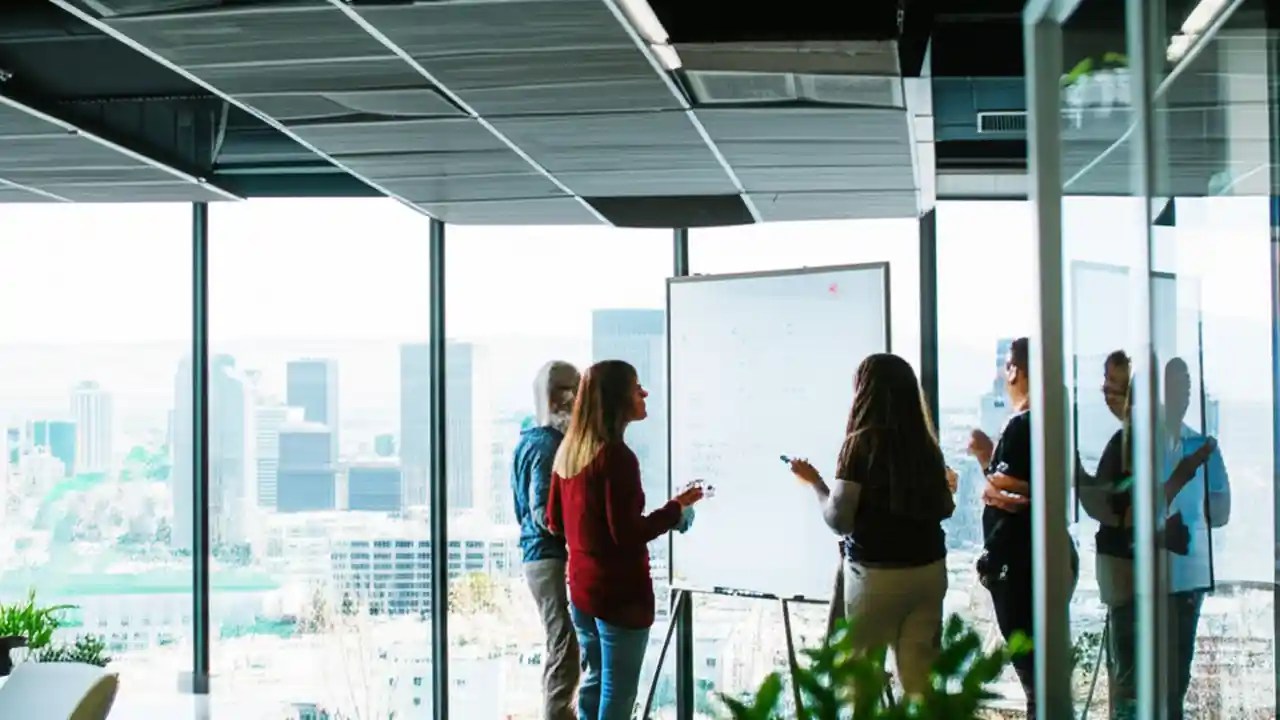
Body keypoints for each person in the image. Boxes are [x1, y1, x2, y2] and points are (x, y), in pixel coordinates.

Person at [788, 353, 954, 696]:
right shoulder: (926, 446)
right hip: (929, 573)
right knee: (920, 686)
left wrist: (817, 484)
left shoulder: (860, 444)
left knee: (863, 686)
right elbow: (944, 506)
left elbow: (840, 519)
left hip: (877, 576)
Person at [547, 360, 703, 720]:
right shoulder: (617, 458)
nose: (644, 393)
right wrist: (675, 509)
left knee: (594, 683)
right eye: (636, 388)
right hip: (620, 597)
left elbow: (555, 522)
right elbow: (629, 534)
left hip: (583, 592)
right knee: (617, 698)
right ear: (618, 400)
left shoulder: (569, 453)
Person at [966, 337, 1078, 719]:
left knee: (1034, 677)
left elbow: (1007, 490)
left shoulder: (1022, 426)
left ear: (1015, 370)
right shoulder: (1057, 425)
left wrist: (991, 469)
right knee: (1044, 675)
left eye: (1008, 367)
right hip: (1050, 555)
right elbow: (1030, 491)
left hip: (1019, 564)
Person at [511, 360, 582, 720]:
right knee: (564, 646)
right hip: (547, 555)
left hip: (537, 556)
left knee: (562, 643)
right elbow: (544, 512)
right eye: (575, 390)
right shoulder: (548, 445)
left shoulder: (528, 441)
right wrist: (580, 528)